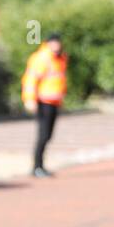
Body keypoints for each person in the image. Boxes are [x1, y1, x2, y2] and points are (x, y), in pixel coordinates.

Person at [21, 33, 67, 177]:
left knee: (48, 136)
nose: (57, 45)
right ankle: (37, 167)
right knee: (43, 135)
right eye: (54, 42)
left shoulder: (60, 58)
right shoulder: (42, 58)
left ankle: (40, 166)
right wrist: (30, 99)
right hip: (43, 101)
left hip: (54, 102)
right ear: (48, 44)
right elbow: (30, 80)